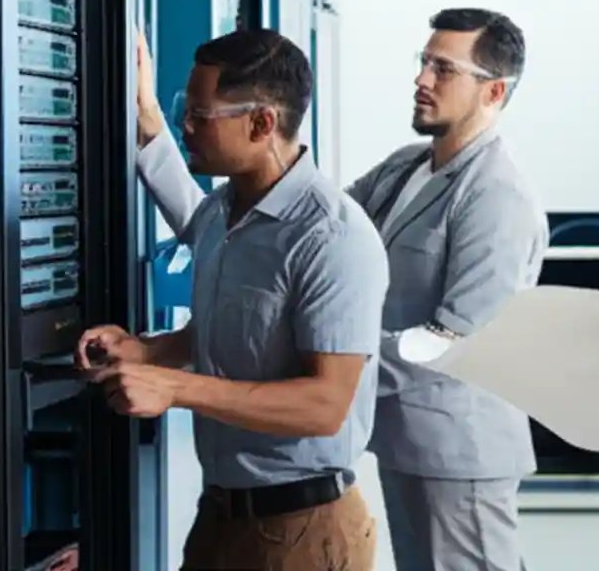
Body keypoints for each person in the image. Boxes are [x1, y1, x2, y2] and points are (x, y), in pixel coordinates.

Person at [76, 28, 389, 570]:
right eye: (182, 109)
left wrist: (172, 386)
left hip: (303, 532)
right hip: (221, 517)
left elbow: (325, 404)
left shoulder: (331, 237)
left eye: (200, 114)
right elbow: (240, 332)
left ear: (262, 123)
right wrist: (146, 353)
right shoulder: (225, 212)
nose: (186, 125)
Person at [345, 8, 548, 571]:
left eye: (443, 69)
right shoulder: (405, 168)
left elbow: (455, 338)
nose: (422, 80)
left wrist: (334, 370)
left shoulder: (497, 194)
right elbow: (317, 225)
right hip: (407, 440)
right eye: (423, 63)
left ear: (494, 90)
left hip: (462, 453)